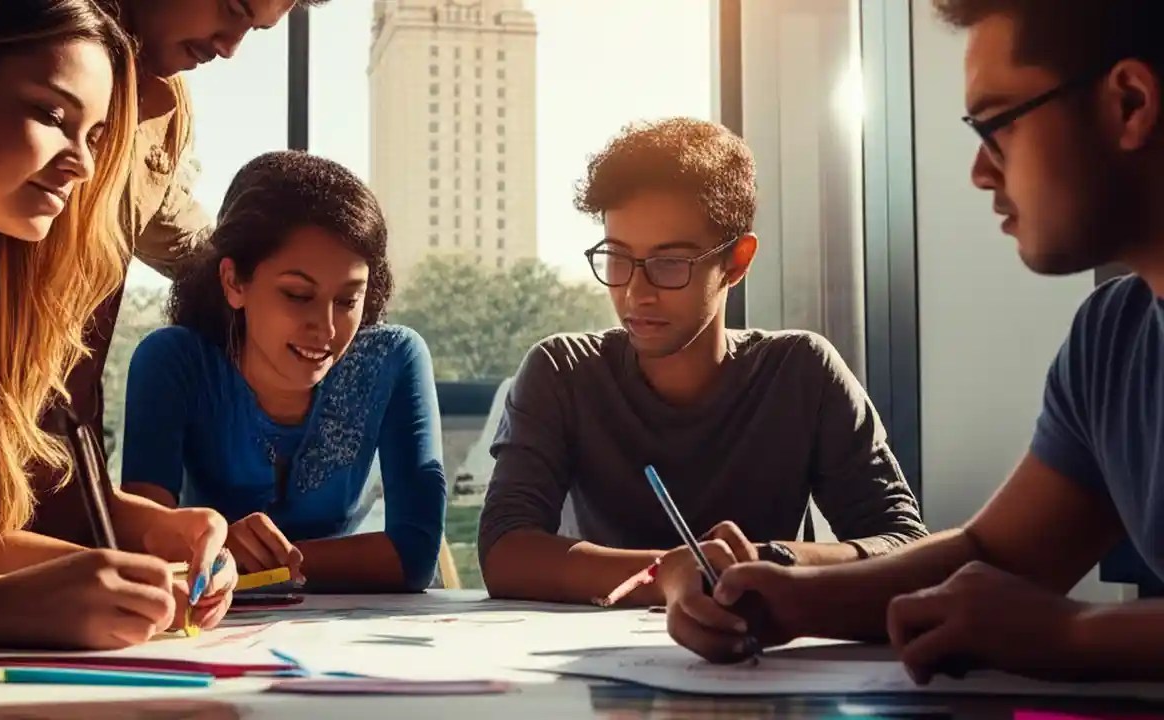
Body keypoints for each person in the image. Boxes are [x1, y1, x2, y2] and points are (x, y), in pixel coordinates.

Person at [665, 0, 1164, 683]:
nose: (981, 173)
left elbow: (1019, 593)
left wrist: (1076, 635)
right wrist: (791, 597)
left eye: (996, 127)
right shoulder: (1115, 339)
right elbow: (998, 554)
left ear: (1130, 104)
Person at [0, 0, 232, 649]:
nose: (83, 164)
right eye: (51, 115)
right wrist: (5, 608)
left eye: (96, 137)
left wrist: (144, 561)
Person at [477, 118, 928, 606]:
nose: (635, 292)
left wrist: (774, 562)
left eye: (669, 263)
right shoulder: (563, 372)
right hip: (598, 665)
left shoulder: (801, 372)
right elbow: (505, 549)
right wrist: (668, 574)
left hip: (758, 661)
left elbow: (904, 545)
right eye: (618, 257)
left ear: (736, 261)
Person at [21, 0, 332, 572]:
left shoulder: (165, 107)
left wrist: (290, 288)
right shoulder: (9, 40)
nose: (231, 45)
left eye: (255, 29)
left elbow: (184, 237)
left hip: (51, 457)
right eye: (233, 8)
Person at [120, 151, 446, 593]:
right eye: (297, 295)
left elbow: (414, 557)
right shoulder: (173, 362)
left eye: (348, 301)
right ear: (234, 282)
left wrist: (234, 561)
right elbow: (143, 542)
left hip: (342, 633)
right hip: (214, 630)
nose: (327, 329)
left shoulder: (393, 359)